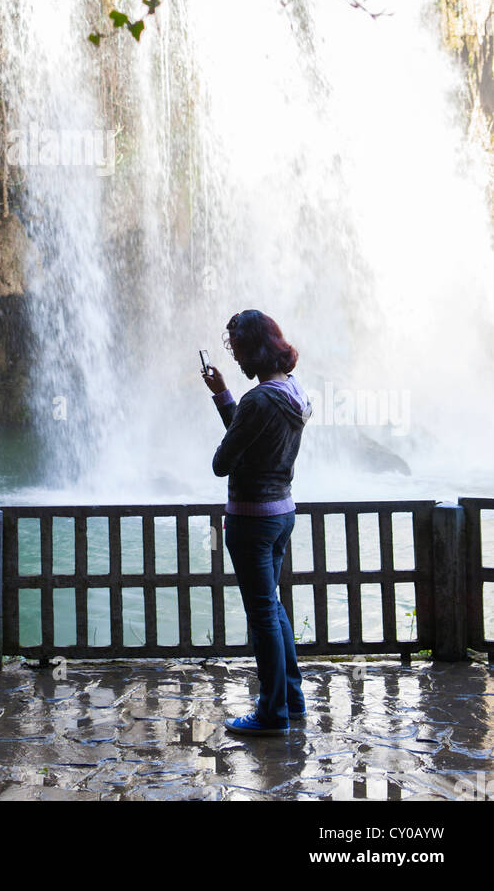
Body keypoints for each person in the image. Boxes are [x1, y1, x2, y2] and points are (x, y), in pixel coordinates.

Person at [201, 310, 312, 736]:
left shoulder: (259, 399)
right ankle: (292, 699)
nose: (239, 361)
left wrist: (233, 405)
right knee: (273, 606)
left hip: (250, 520)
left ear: (255, 349)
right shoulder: (292, 391)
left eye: (240, 351)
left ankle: (271, 713)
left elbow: (221, 462)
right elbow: (252, 434)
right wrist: (222, 394)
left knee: (262, 613)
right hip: (282, 512)